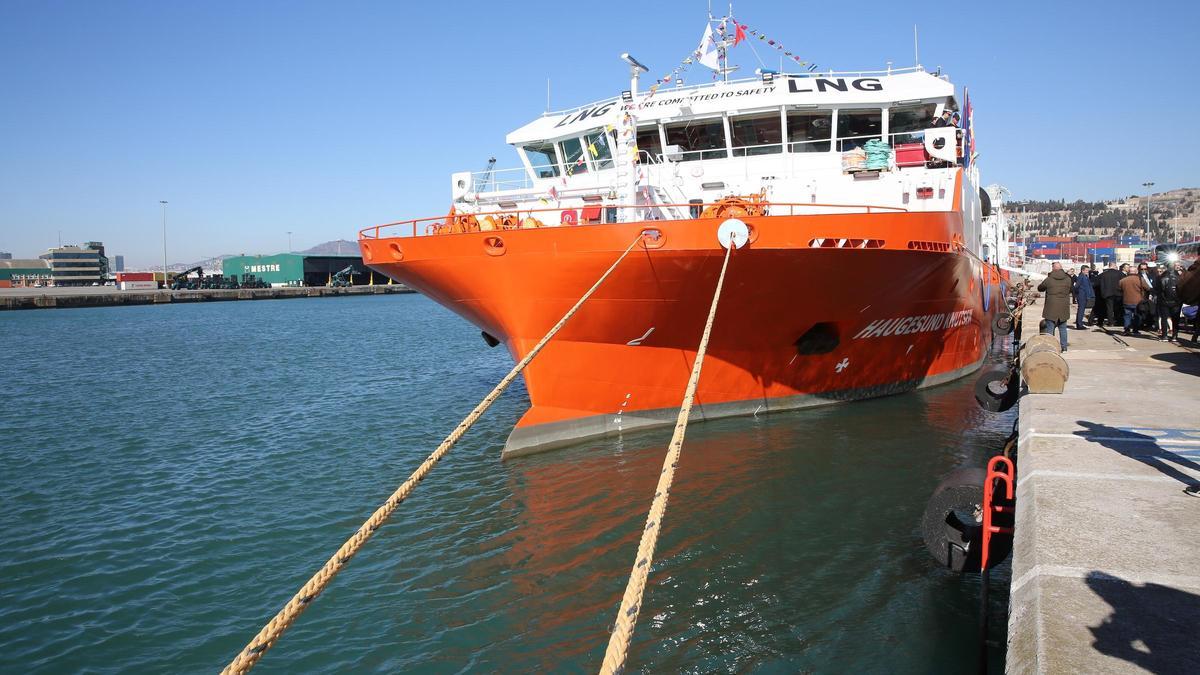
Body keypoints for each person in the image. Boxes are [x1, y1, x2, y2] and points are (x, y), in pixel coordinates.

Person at [1038, 262, 1073, 351]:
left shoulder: (1049, 279)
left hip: (1051, 307)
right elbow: (1071, 289)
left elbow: (1040, 288)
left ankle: (1051, 346)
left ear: (1053, 268)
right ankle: (1064, 347)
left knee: (1050, 328)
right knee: (1063, 328)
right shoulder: (1068, 279)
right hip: (1063, 307)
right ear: (1061, 268)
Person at [1118, 265, 1152, 336]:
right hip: (1138, 301)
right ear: (1136, 271)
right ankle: (1135, 330)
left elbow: (1119, 290)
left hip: (1126, 301)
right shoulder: (1140, 279)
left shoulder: (1122, 280)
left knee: (1127, 316)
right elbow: (1148, 288)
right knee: (1137, 316)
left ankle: (1127, 330)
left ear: (1129, 272)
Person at [1155, 263, 1183, 342]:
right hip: (1176, 301)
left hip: (1164, 301)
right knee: (1175, 318)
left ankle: (1165, 336)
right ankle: (1174, 336)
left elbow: (1157, 289)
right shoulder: (1179, 277)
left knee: (1164, 318)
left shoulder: (1161, 277)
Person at [1098, 262, 1125, 328]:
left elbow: (1102, 285)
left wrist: (1103, 293)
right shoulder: (1120, 274)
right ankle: (1119, 321)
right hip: (1119, 293)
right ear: (1114, 266)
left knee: (1109, 308)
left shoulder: (1104, 274)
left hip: (1108, 294)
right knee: (1118, 308)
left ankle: (1110, 322)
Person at [1074, 264, 1095, 329]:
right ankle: (1079, 324)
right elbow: (1076, 286)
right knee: (1081, 310)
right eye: (1086, 270)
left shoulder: (1085, 276)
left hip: (1084, 295)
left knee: (1081, 310)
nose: (1087, 272)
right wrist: (1079, 293)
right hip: (1082, 296)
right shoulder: (1081, 277)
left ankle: (1079, 323)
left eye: (1088, 271)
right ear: (1082, 270)